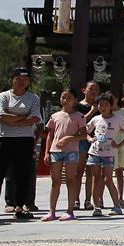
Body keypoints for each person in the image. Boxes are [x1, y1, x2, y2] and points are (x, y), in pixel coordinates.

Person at [0, 68, 42, 223]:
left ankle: (19, 207)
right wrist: (23, 117)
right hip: (3, 139)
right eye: (18, 79)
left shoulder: (33, 98)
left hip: (24, 140)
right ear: (12, 80)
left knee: (22, 175)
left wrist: (12, 119)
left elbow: (35, 119)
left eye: (25, 79)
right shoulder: (4, 96)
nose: (21, 82)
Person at [41, 89, 86, 221]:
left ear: (75, 100)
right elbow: (50, 135)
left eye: (69, 98)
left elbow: (83, 134)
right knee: (55, 181)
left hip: (72, 151)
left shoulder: (79, 116)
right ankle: (52, 211)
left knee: (71, 180)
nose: (65, 100)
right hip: (56, 151)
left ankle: (70, 210)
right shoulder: (55, 116)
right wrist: (47, 152)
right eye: (63, 97)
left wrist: (69, 138)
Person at [86, 92, 124, 216]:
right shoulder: (96, 119)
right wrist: (89, 138)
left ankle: (117, 206)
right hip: (95, 153)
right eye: (100, 104)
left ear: (111, 105)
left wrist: (119, 144)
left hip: (109, 154)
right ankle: (96, 207)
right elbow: (85, 130)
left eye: (105, 104)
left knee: (108, 179)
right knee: (96, 178)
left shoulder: (118, 119)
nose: (102, 107)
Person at [74, 81, 101, 210]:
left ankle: (88, 200)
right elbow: (79, 122)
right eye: (91, 89)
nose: (94, 91)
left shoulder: (100, 105)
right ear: (84, 90)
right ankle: (75, 199)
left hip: (96, 140)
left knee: (91, 172)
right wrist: (92, 111)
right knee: (79, 171)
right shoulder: (78, 106)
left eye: (96, 89)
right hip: (82, 139)